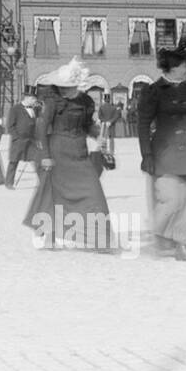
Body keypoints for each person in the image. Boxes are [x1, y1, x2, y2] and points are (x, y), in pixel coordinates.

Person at [138, 38, 186, 261]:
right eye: (184, 65)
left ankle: (182, 245)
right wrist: (147, 155)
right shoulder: (153, 91)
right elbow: (143, 125)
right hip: (165, 151)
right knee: (172, 200)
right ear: (172, 68)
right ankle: (158, 233)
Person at [24, 61, 115, 250]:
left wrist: (97, 133)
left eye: (67, 87)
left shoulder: (86, 102)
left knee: (93, 192)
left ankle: (100, 238)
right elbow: (41, 129)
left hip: (80, 152)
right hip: (56, 152)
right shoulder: (52, 102)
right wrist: (46, 155)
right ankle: (48, 234)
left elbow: (87, 125)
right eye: (61, 87)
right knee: (54, 195)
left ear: (77, 84)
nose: (63, 90)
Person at [4, 94, 39, 186]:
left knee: (37, 160)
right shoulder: (15, 109)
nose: (35, 101)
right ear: (27, 98)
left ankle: (43, 182)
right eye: (33, 98)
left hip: (31, 140)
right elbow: (10, 126)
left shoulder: (34, 109)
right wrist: (16, 138)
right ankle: (9, 183)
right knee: (14, 161)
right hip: (18, 140)